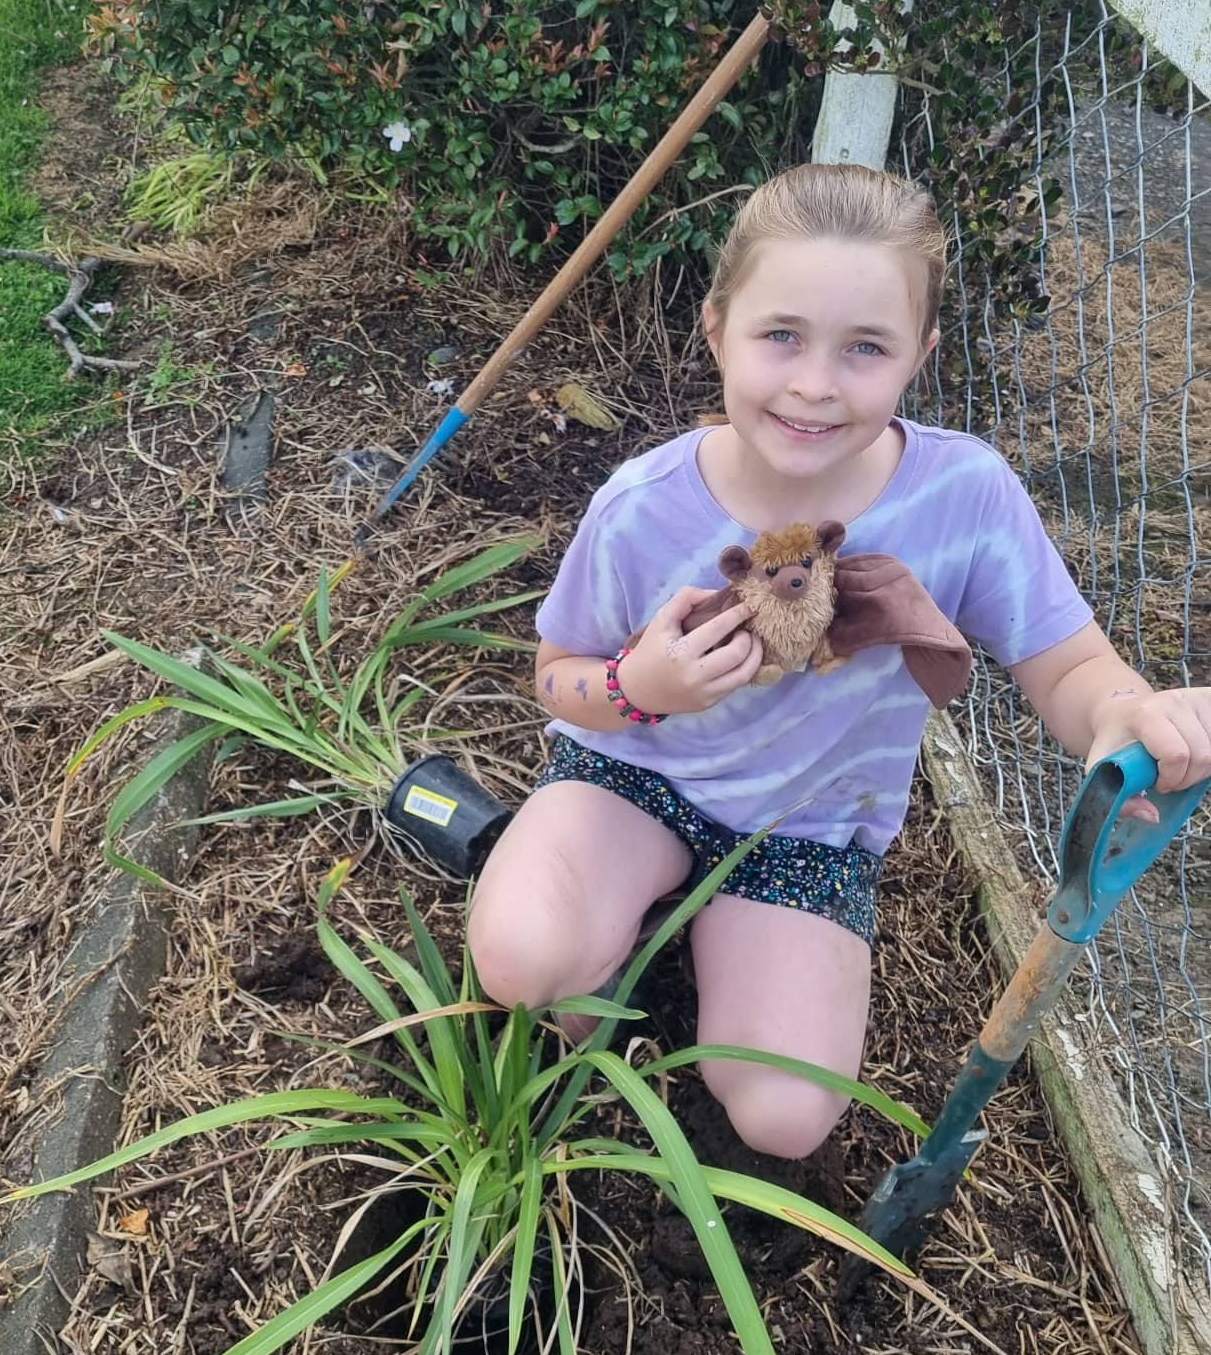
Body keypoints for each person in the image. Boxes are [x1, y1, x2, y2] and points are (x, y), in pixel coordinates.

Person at [467, 162, 1211, 1163]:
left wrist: (1122, 714)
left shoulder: (963, 498)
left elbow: (1069, 665)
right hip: (629, 776)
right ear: (716, 328)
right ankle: (591, 948)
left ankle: (682, 942)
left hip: (805, 828)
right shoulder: (644, 507)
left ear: (920, 355)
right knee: (524, 963)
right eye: (781, 335)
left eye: (865, 348)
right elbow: (556, 675)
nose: (815, 383)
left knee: (783, 1114)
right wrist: (633, 688)